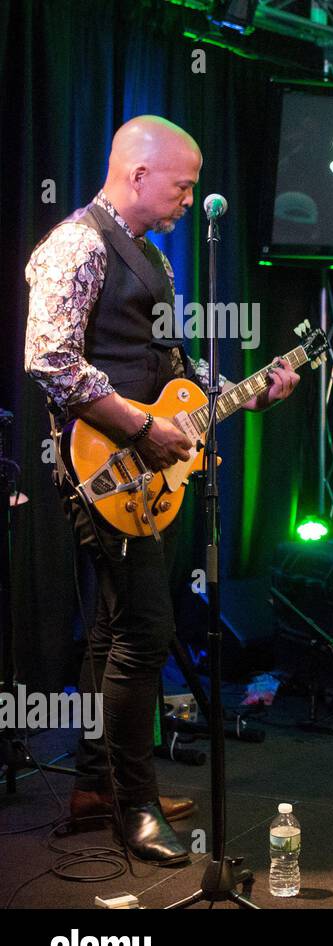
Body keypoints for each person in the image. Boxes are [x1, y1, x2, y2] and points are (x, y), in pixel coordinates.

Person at [24, 115, 300, 863]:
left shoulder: (151, 257)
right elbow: (49, 359)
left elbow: (167, 365)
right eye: (183, 183)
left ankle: (97, 784)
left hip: (142, 469)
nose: (191, 197)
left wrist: (247, 392)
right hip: (103, 466)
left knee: (117, 631)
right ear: (140, 173)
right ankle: (134, 805)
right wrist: (139, 429)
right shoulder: (76, 244)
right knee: (145, 630)